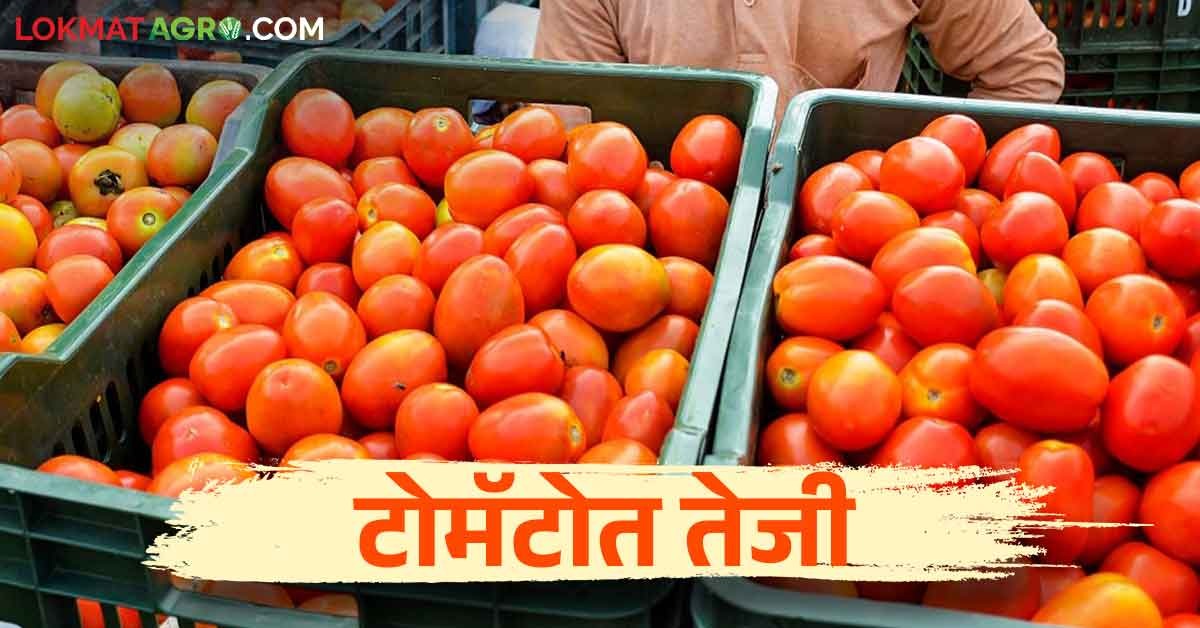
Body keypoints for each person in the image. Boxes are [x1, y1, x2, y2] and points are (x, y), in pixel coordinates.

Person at [534, 1, 1066, 116]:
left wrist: (952, 204)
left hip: (851, 242)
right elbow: (564, 124)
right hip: (656, 254)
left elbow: (1023, 71)